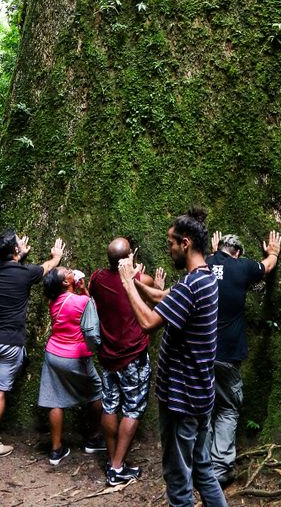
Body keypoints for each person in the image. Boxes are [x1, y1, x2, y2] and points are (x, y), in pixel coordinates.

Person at [118, 207, 228, 507]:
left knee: (178, 480)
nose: (169, 249)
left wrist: (127, 282)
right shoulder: (203, 279)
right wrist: (137, 281)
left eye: (171, 243)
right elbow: (161, 297)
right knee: (203, 469)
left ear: (186, 243)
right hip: (200, 395)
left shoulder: (191, 286)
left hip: (182, 399)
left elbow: (148, 323)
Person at [0, 229, 65, 460]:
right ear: (15, 250)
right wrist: (56, 256)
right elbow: (47, 267)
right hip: (8, 343)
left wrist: (16, 253)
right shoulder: (27, 273)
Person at [205, 228, 281, 487]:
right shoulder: (242, 266)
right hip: (228, 353)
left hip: (201, 352)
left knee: (204, 408)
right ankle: (220, 469)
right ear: (237, 253)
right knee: (226, 409)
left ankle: (201, 465)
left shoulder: (203, 264)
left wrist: (213, 253)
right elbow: (268, 266)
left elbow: (213, 264)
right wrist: (273, 252)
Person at [89, 237, 157, 485]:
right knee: (132, 409)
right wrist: (151, 280)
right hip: (132, 357)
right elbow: (153, 301)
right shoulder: (141, 281)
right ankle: (117, 468)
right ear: (131, 256)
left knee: (110, 406)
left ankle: (111, 459)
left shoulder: (96, 278)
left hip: (107, 356)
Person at [37, 266, 105, 467]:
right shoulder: (81, 300)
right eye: (66, 271)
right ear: (66, 282)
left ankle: (56, 450)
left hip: (53, 355)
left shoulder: (53, 301)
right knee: (97, 392)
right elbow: (93, 312)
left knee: (55, 399)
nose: (70, 270)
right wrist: (84, 290)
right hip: (76, 356)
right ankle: (93, 438)